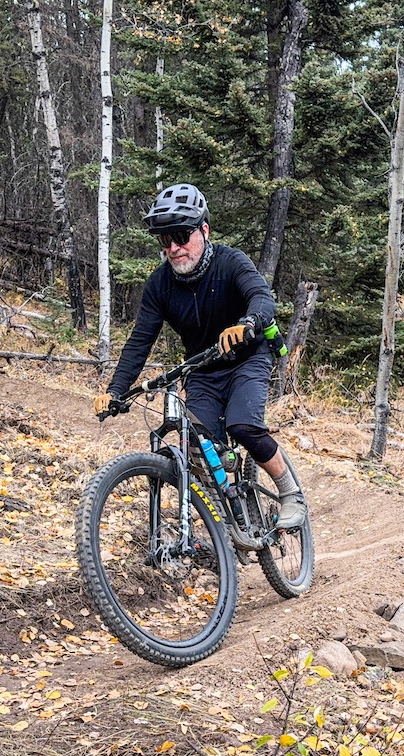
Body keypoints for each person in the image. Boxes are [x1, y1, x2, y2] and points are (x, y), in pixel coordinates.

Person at [93, 182, 307, 529]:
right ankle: (225, 523)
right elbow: (139, 342)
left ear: (203, 230)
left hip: (247, 360)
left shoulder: (231, 262)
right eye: (165, 241)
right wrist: (115, 390)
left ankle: (290, 492)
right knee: (198, 445)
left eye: (181, 236)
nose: (174, 248)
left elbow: (262, 298)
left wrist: (247, 322)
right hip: (203, 370)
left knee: (243, 425)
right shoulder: (159, 284)